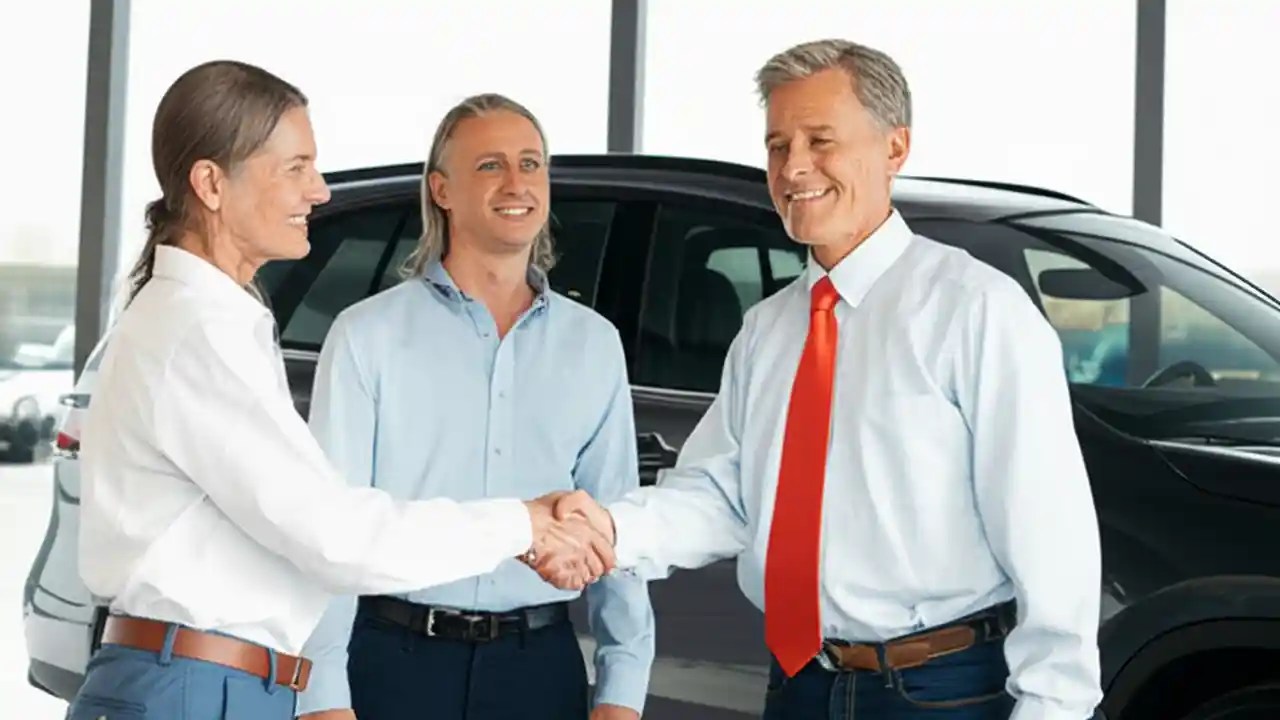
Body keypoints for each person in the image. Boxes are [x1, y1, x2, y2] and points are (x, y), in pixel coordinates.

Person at [547, 38, 1105, 720]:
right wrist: (607, 528)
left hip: (941, 692)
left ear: (895, 149)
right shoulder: (769, 329)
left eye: (820, 140)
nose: (793, 167)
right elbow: (723, 497)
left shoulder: (976, 312)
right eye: (778, 145)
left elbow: (1051, 540)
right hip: (799, 684)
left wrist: (1054, 710)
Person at [68, 61, 611, 720]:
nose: (319, 191)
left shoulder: (215, 321)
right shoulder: (196, 334)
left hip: (214, 683)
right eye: (294, 168)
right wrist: (522, 521)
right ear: (211, 183)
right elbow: (337, 534)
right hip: (196, 688)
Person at [295, 93, 654, 720]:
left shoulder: (594, 345)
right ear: (441, 190)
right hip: (393, 664)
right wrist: (323, 698)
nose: (517, 183)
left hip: (538, 667)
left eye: (531, 163)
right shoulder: (366, 336)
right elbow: (334, 530)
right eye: (490, 165)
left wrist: (621, 692)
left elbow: (612, 526)